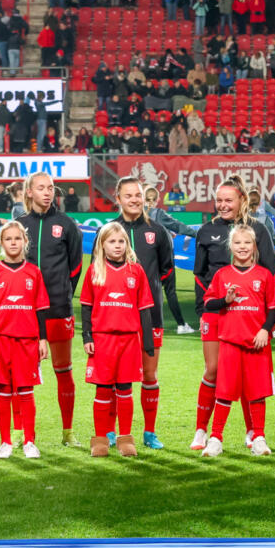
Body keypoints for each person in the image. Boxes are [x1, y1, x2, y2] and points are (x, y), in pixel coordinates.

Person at [190, 177, 275, 450]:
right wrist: (207, 307)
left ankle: (253, 432)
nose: (223, 205)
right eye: (219, 200)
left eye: (229, 200)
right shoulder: (207, 230)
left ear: (242, 200)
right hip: (216, 310)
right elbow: (199, 273)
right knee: (215, 370)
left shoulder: (258, 229)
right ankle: (202, 430)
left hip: (248, 314)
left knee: (246, 373)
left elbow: (269, 273)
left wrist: (265, 322)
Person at [106, 179, 175, 450]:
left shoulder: (157, 231)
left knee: (149, 375)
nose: (135, 200)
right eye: (129, 195)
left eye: (138, 195)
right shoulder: (109, 230)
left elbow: (167, 270)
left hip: (150, 316)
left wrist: (148, 290)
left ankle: (149, 432)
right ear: (118, 198)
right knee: (113, 377)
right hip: (115, 315)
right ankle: (111, 432)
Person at [17, 173, 84, 447]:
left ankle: (68, 433)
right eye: (41, 188)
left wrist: (62, 292)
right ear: (29, 192)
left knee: (63, 371)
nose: (47, 193)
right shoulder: (19, 226)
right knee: (23, 376)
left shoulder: (66, 224)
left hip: (58, 308)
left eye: (51, 188)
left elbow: (76, 267)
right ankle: (23, 432)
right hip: (24, 312)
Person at [81, 222, 158, 457]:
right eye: (112, 241)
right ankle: (100, 439)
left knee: (125, 389)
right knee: (103, 391)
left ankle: (126, 439)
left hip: (128, 341)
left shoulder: (136, 271)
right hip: (103, 340)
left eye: (121, 241)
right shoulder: (95, 270)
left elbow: (144, 309)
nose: (117, 246)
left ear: (127, 244)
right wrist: (87, 336)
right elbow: (86, 307)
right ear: (102, 245)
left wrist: (148, 343)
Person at [0, 221, 50, 459]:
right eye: (8, 239)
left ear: (25, 242)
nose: (13, 243)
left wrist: (43, 339)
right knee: (4, 390)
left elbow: (40, 308)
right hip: (0, 340)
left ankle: (30, 441)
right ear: (1, 243)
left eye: (17, 239)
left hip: (28, 340)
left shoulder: (34, 272)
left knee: (26, 390)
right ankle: (5, 442)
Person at [144, 187, 196, 334]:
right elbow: (178, 226)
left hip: (144, 261)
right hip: (163, 259)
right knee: (170, 291)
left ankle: (147, 325)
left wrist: (166, 233)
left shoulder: (138, 214)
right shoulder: (159, 214)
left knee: (146, 292)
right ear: (157, 199)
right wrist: (198, 233)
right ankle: (181, 325)